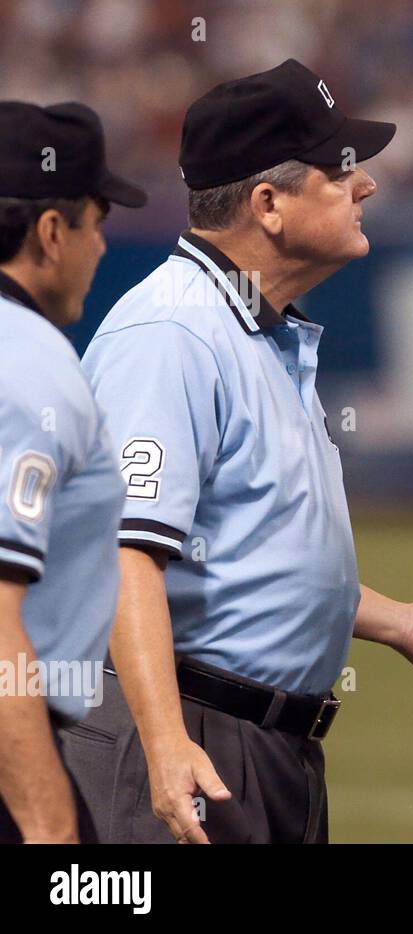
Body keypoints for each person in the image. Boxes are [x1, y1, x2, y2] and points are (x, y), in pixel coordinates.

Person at [62, 60, 413, 844]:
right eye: (341, 172)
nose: (367, 187)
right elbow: (123, 554)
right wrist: (163, 744)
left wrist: (392, 621)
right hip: (184, 731)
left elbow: (247, 548)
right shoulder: (173, 333)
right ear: (269, 204)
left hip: (257, 744)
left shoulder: (253, 327)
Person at [0, 101, 147, 843]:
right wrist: (50, 827)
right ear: (52, 233)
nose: (102, 245)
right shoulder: (27, 362)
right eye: (96, 221)